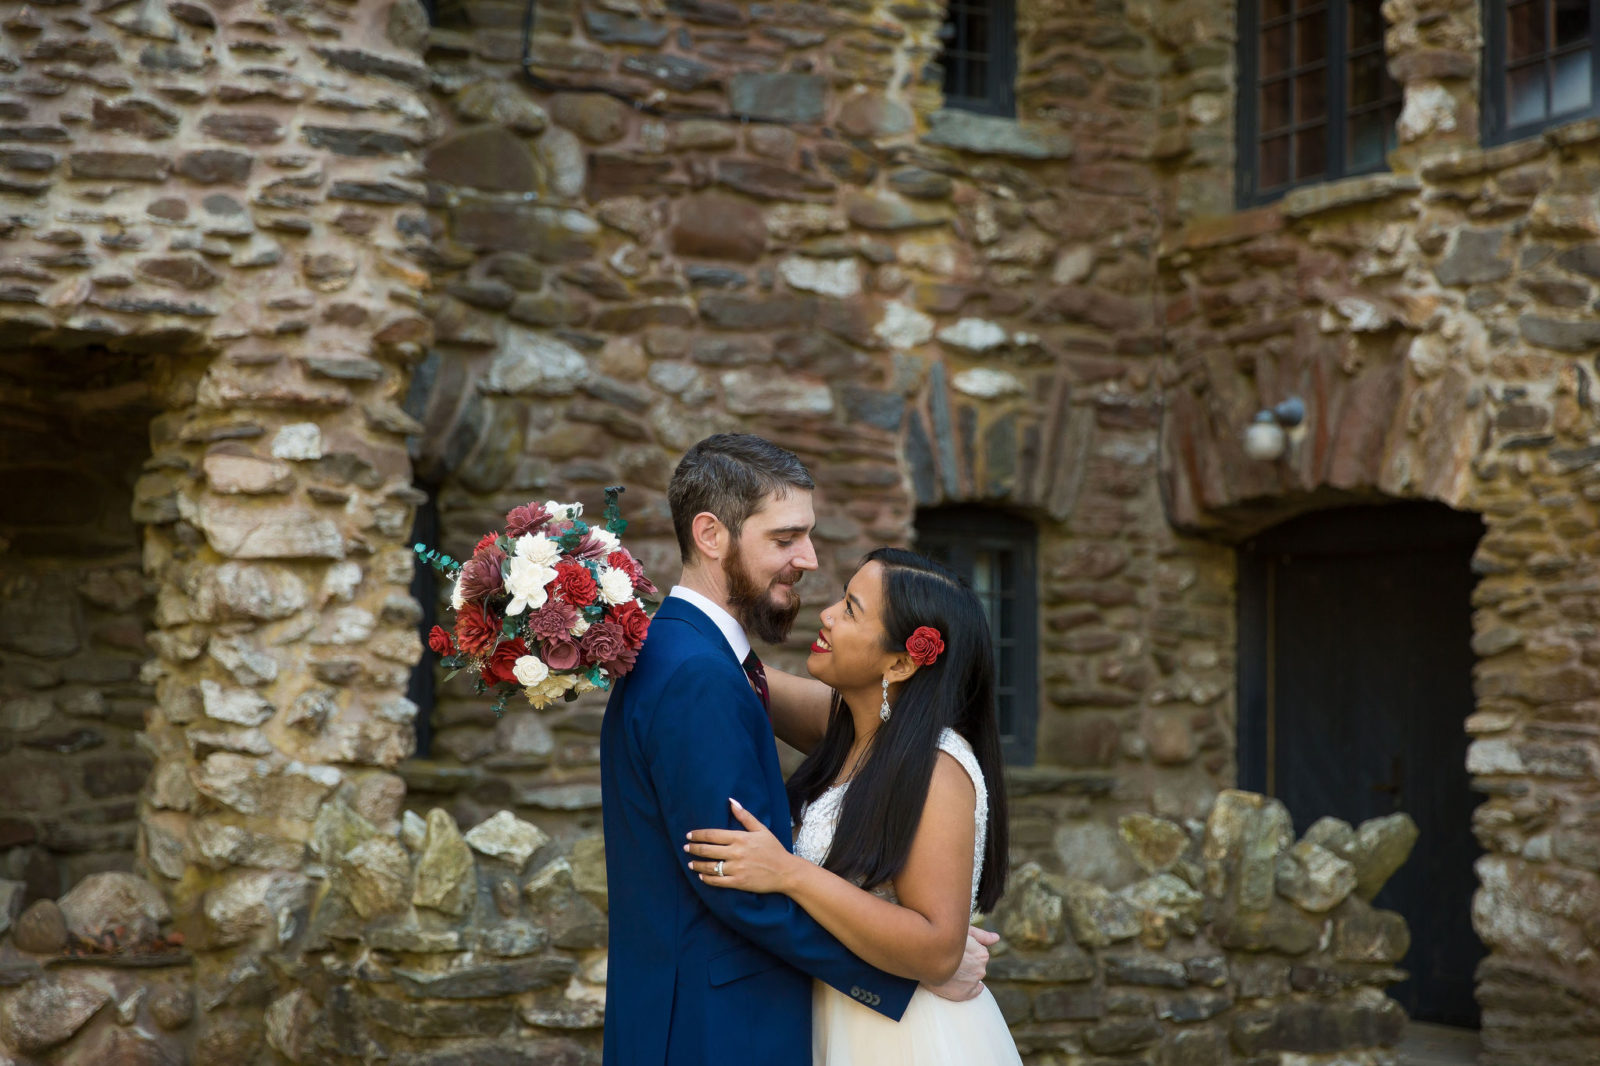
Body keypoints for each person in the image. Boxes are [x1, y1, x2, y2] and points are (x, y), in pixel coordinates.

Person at [600, 435, 996, 1066]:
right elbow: (735, 885)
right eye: (785, 540)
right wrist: (910, 974)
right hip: (715, 1029)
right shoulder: (700, 673)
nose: (809, 561)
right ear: (711, 534)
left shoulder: (704, 660)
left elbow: (803, 708)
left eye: (807, 537)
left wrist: (929, 953)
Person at [683, 548, 1024, 1065]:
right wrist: (606, 613)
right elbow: (728, 671)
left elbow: (936, 950)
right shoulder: (852, 728)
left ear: (902, 662)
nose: (826, 614)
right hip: (832, 1013)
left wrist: (788, 873)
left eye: (850, 610)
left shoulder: (936, 769)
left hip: (903, 1038)